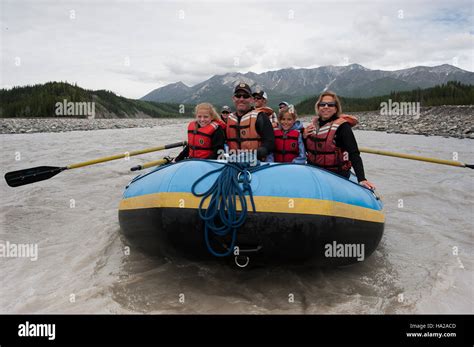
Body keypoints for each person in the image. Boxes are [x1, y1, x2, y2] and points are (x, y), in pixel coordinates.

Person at [303, 91, 376, 189]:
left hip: (336, 174)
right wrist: (303, 137)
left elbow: (353, 153)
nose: (326, 107)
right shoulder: (313, 125)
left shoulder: (343, 127)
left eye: (330, 105)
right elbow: (305, 149)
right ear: (318, 107)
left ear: (336, 109)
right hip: (314, 172)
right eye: (322, 104)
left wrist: (361, 178)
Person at [226, 83, 274, 161]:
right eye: (238, 96)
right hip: (234, 163)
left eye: (245, 96)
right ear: (233, 98)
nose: (241, 99)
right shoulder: (229, 119)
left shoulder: (260, 117)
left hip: (255, 163)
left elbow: (270, 142)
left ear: (251, 99)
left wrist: (259, 152)